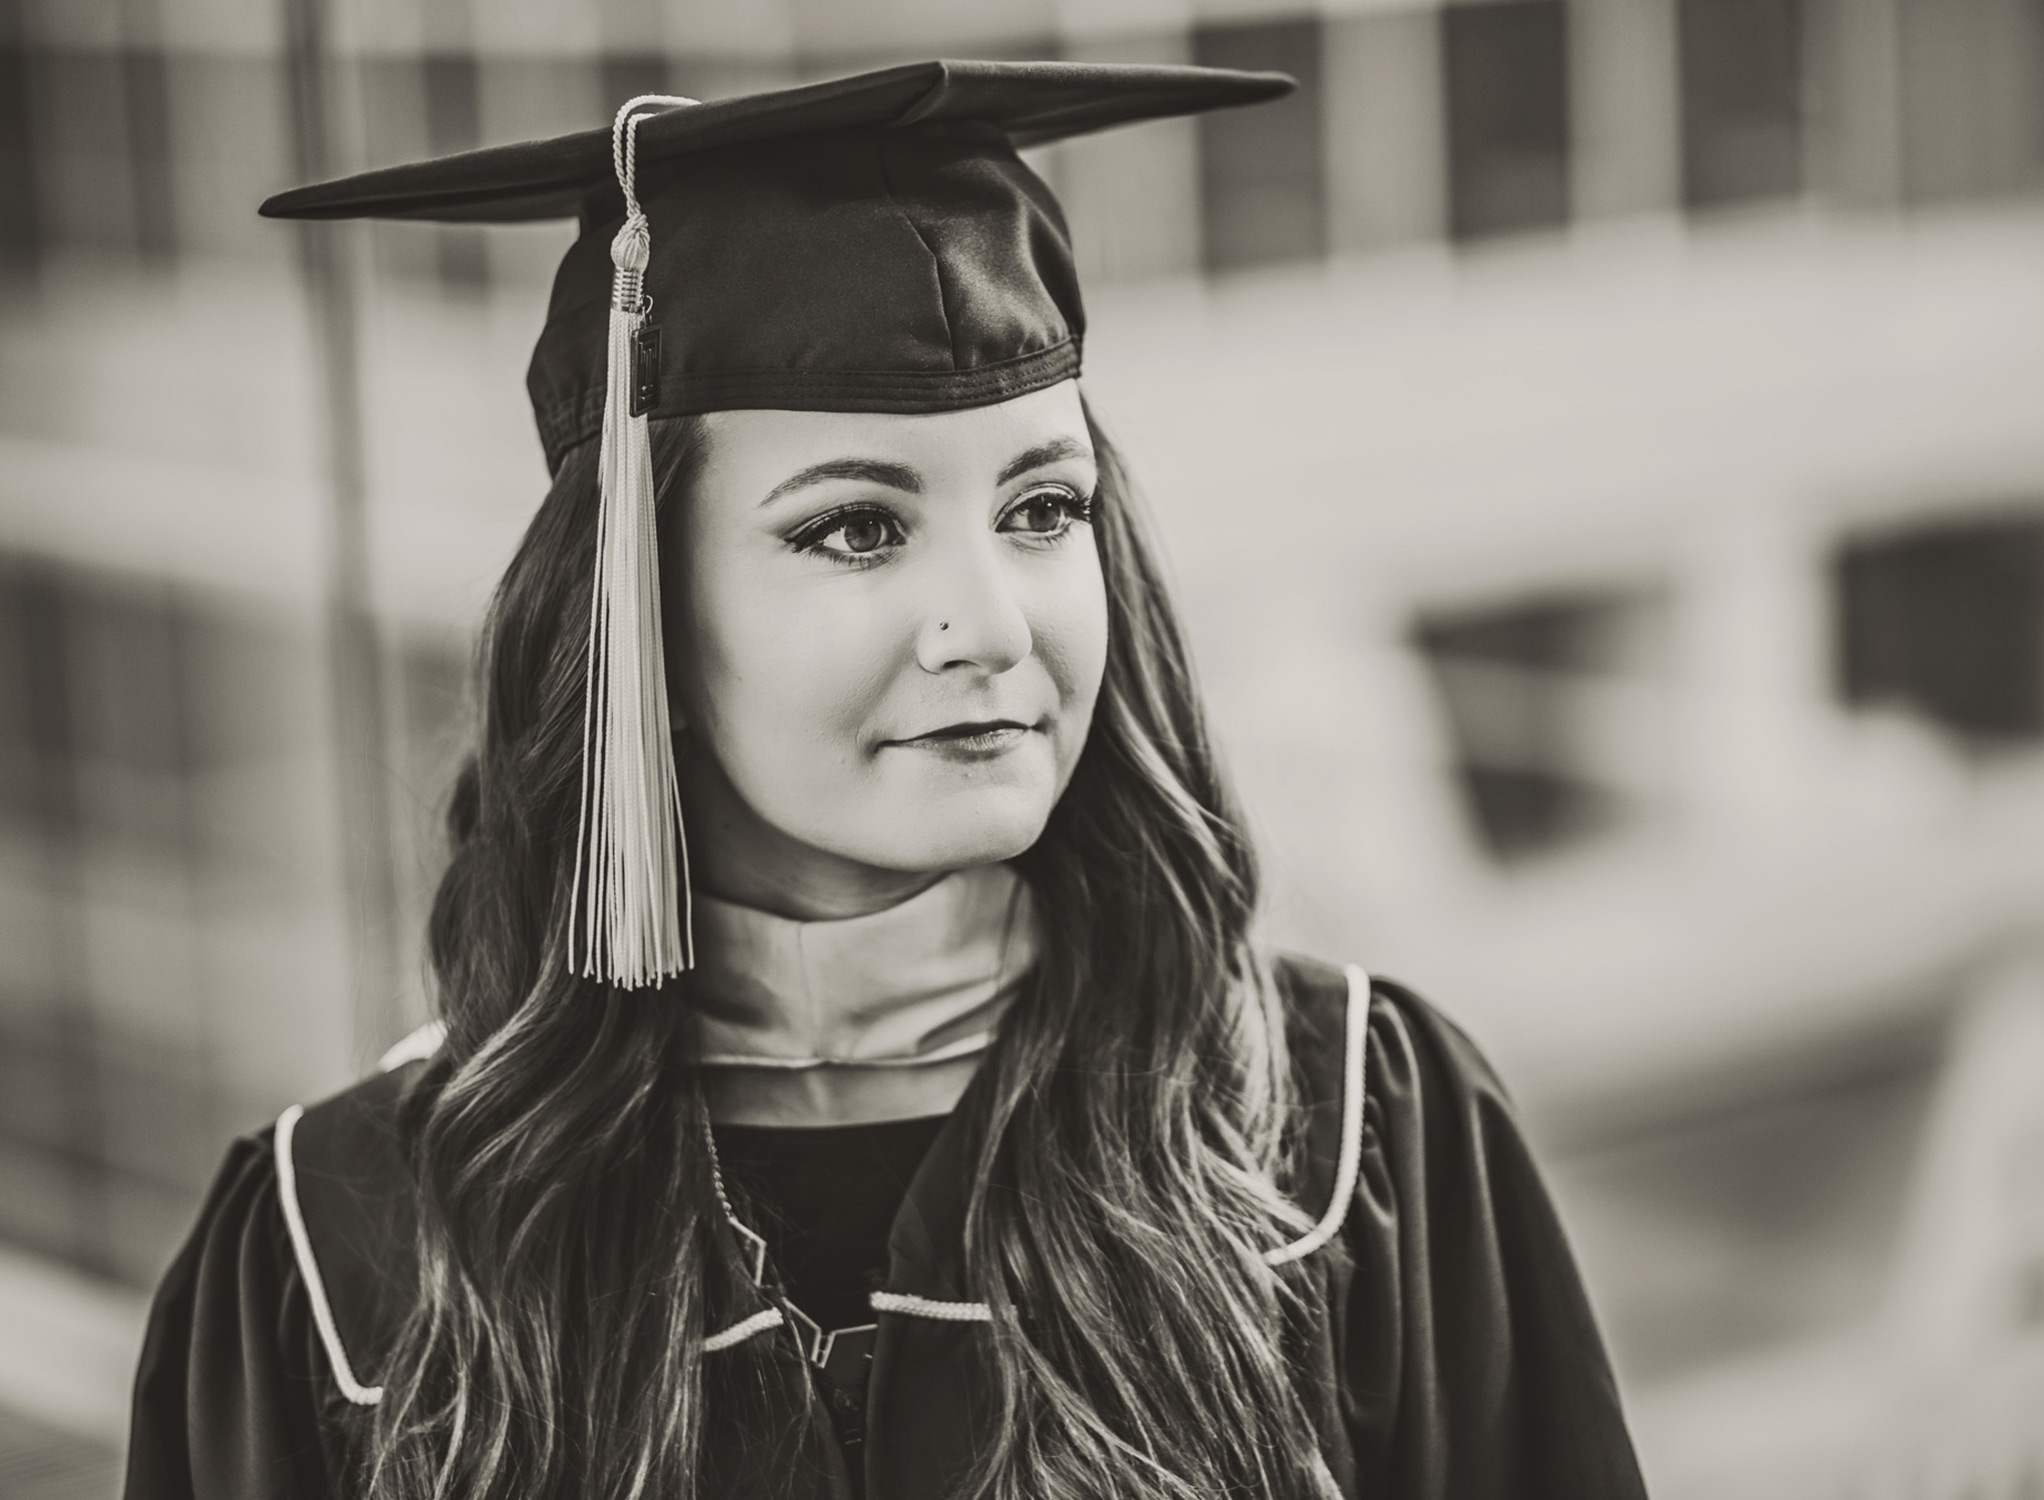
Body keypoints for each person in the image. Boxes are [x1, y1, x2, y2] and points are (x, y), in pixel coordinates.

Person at [124, 60, 1647, 1500]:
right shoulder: (344, 1250)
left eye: (1045, 509)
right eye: (854, 529)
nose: (993, 627)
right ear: (634, 615)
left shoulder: (1347, 1134)